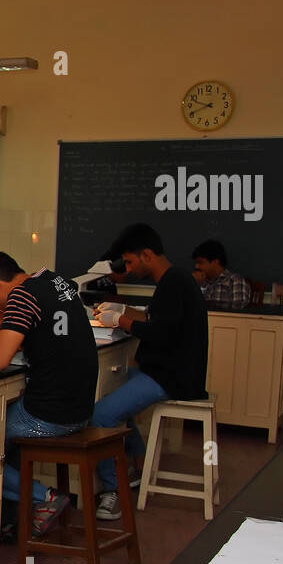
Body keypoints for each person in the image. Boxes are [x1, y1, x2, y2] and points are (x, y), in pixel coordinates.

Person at [0, 251, 98, 538]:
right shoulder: (54, 282)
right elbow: (51, 328)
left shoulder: (21, 296)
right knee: (3, 446)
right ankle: (11, 518)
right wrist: (7, 321)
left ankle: (44, 498)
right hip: (80, 407)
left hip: (50, 414)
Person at [90, 223, 208, 520]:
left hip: (173, 378)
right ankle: (134, 465)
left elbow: (161, 334)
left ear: (147, 255)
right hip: (168, 372)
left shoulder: (174, 282)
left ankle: (113, 490)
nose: (127, 268)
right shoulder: (173, 280)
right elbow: (158, 319)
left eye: (129, 262)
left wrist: (120, 321)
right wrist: (122, 312)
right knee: (112, 386)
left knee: (101, 414)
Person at [192, 239, 252, 310]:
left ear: (215, 262)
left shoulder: (234, 280)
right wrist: (194, 284)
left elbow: (239, 306)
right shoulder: (199, 280)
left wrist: (209, 305)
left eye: (200, 263)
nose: (196, 266)